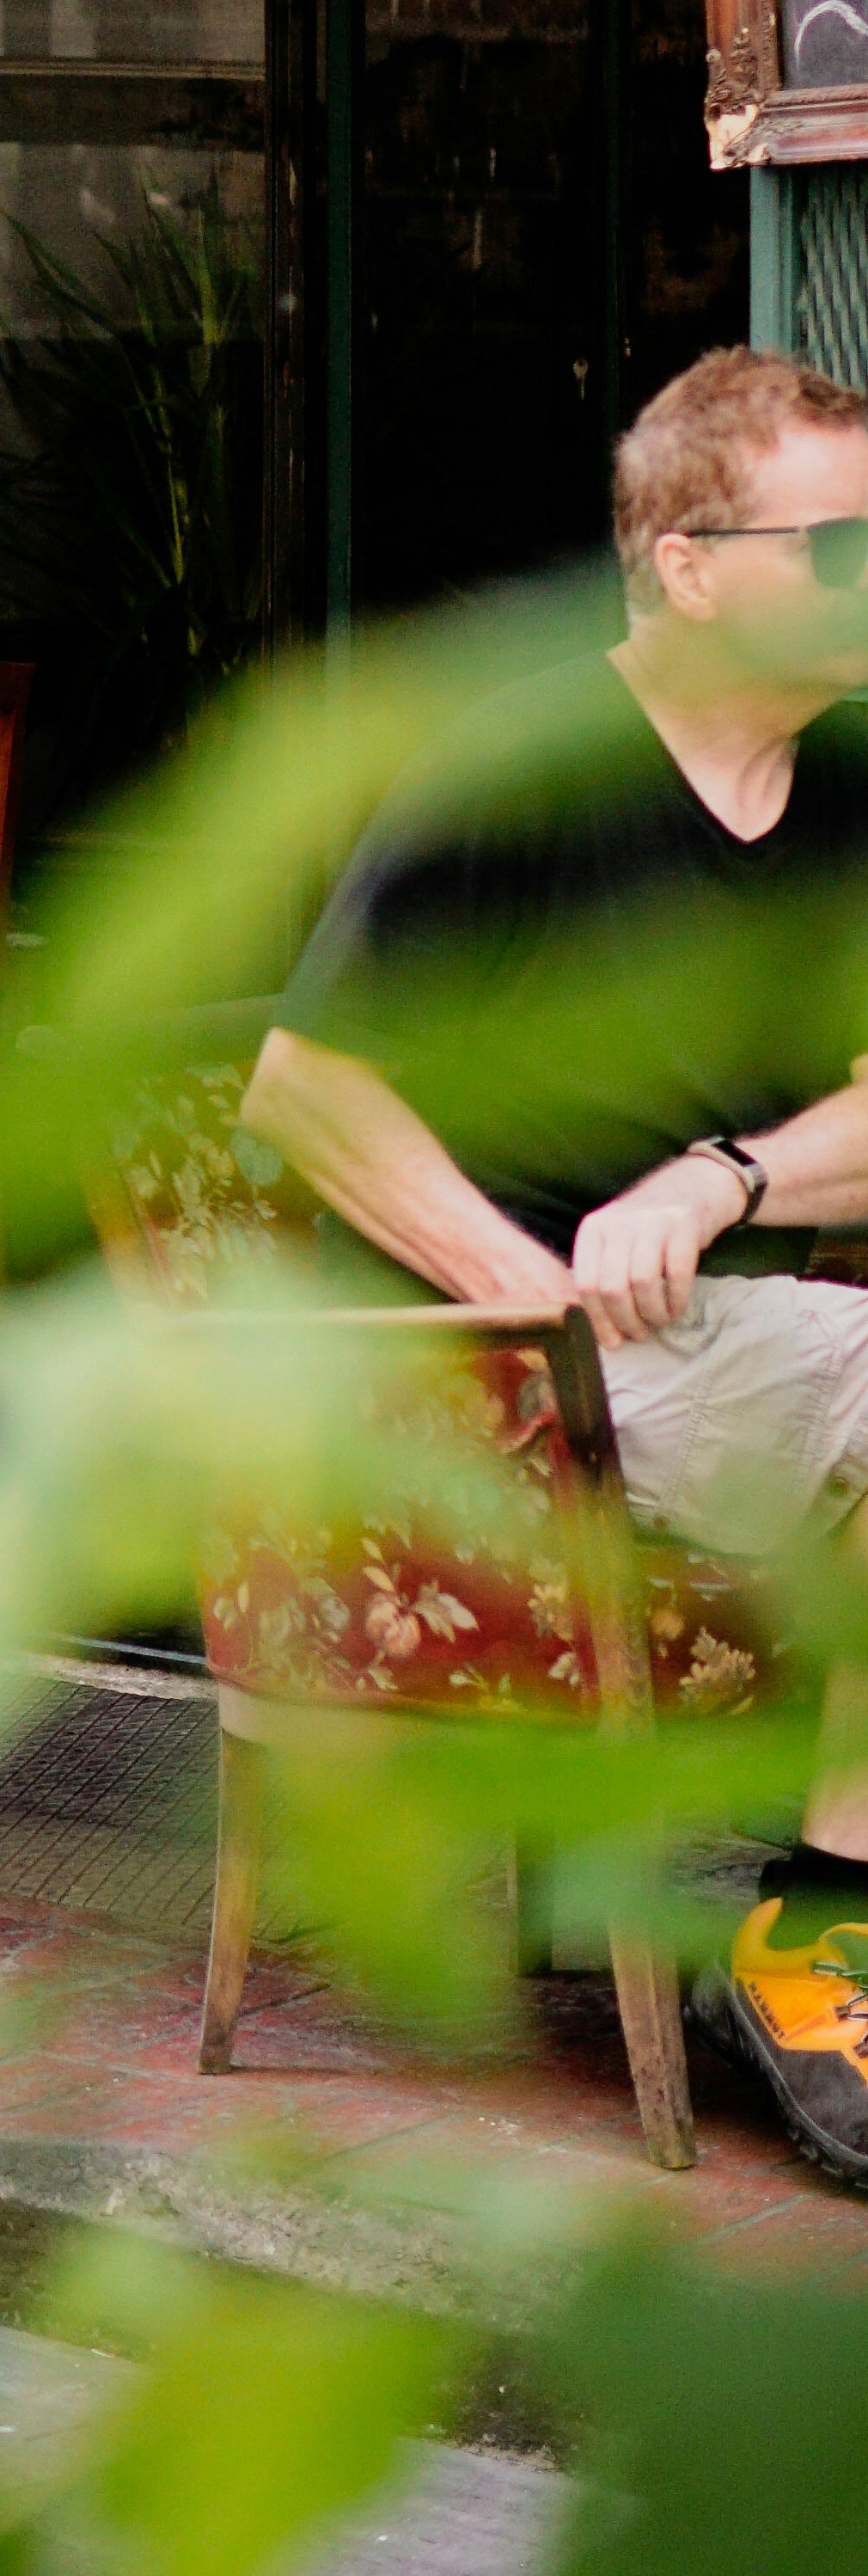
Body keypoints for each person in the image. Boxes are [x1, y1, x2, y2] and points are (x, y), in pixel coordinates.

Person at [247, 343, 868, 2182]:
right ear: (686, 564)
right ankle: (816, 1940)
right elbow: (300, 1090)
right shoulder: (516, 774)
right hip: (493, 1375)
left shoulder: (842, 788)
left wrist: (720, 1175)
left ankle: (820, 1911)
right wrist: (525, 1295)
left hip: (736, 1327)